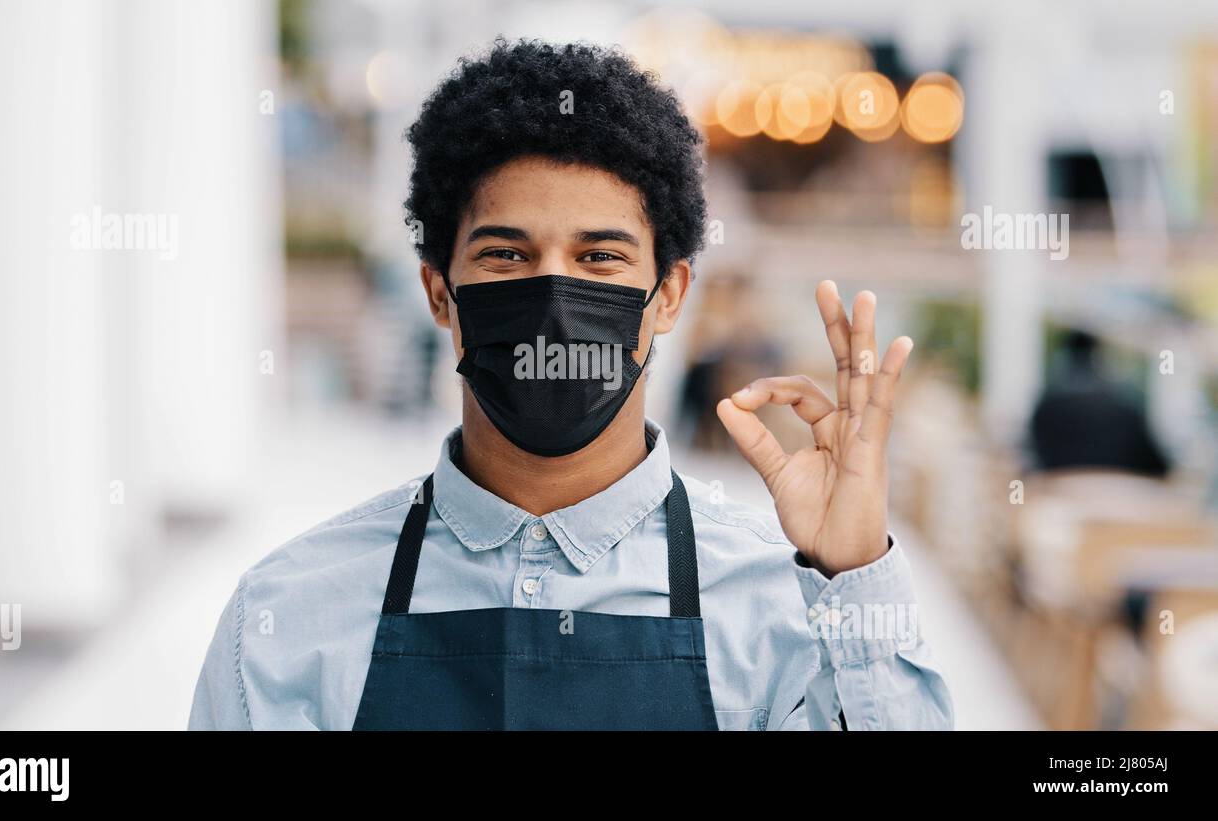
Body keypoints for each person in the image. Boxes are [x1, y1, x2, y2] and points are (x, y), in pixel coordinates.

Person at [188, 39, 953, 730]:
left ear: (671, 295)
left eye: (599, 258)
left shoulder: (785, 615)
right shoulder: (289, 617)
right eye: (507, 256)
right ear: (438, 293)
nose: (553, 301)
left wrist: (854, 573)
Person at [1029, 329, 1171, 477]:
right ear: (1098, 354)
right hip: (1120, 486)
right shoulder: (1123, 401)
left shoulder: (1048, 405)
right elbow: (1156, 464)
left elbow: (1036, 455)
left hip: (1060, 489)